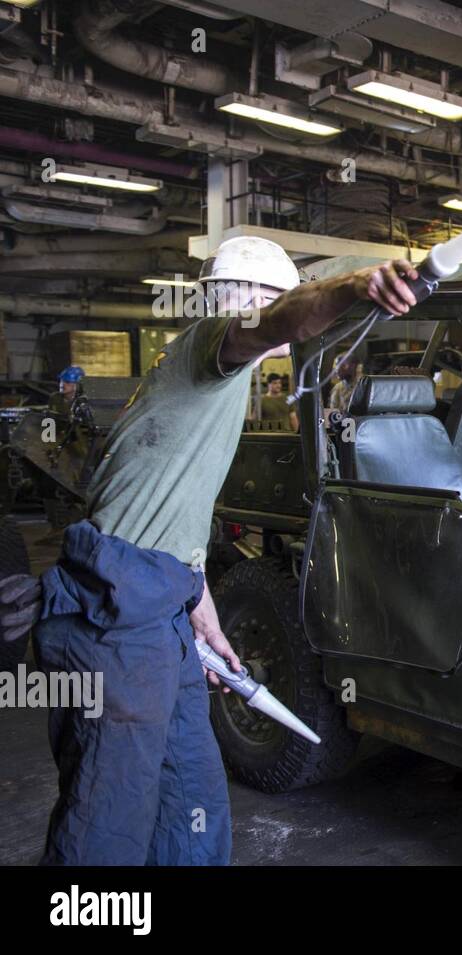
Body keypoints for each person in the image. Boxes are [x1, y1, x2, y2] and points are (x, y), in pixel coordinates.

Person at [2, 235, 423, 864]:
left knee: (192, 800)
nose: (287, 312)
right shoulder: (211, 346)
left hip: (160, 610)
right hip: (114, 621)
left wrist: (206, 624)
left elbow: (175, 519)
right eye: (277, 296)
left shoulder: (209, 379)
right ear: (247, 299)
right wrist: (355, 286)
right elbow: (280, 319)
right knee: (107, 818)